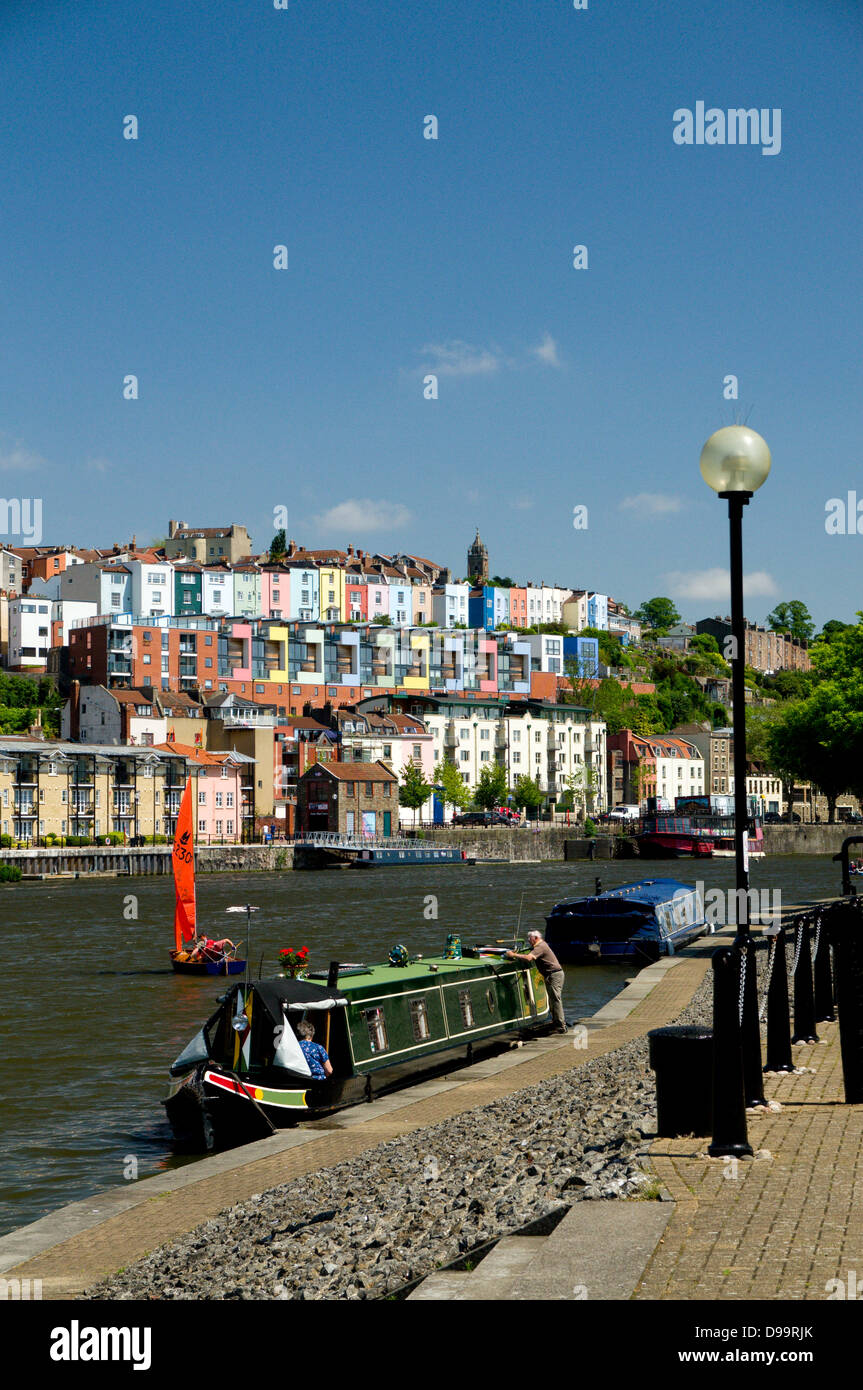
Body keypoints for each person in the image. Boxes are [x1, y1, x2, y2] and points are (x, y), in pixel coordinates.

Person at [506, 930, 567, 1034]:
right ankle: (555, 1022)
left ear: (535, 938)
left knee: (556, 999)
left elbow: (529, 958)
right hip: (551, 975)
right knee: (552, 1000)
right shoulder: (540, 946)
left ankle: (561, 1025)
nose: (529, 941)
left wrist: (513, 955)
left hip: (554, 975)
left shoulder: (540, 946)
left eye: (530, 939)